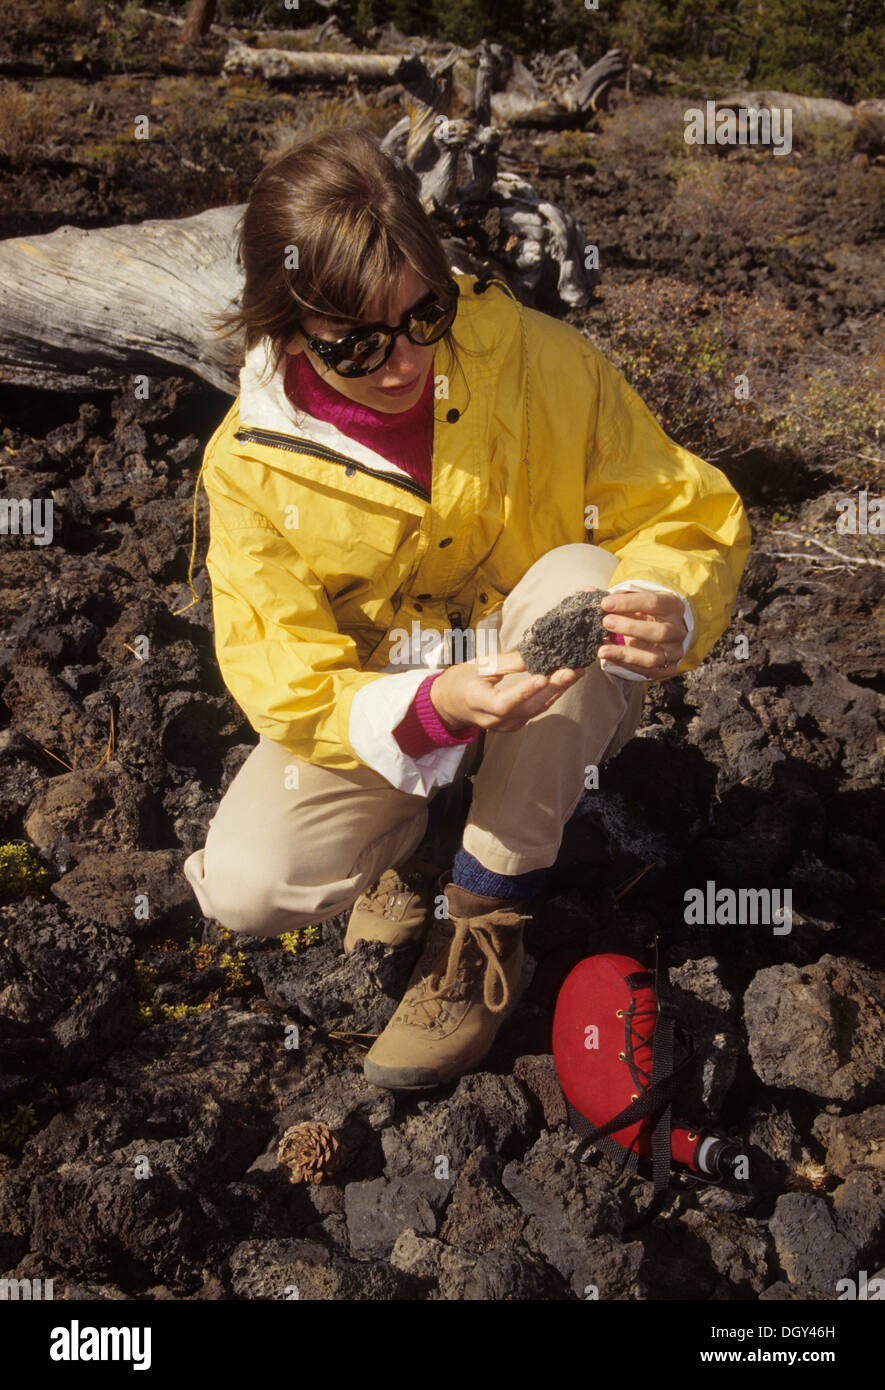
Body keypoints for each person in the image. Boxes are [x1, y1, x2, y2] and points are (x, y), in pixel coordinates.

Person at [181, 125, 750, 1091]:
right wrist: (432, 709)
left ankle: (487, 912)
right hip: (394, 710)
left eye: (423, 315)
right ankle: (416, 830)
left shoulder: (539, 359)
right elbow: (278, 667)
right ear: (281, 328)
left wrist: (670, 602)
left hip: (552, 688)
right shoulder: (247, 464)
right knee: (248, 886)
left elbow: (676, 507)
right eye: (355, 342)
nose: (401, 360)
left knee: (584, 580)